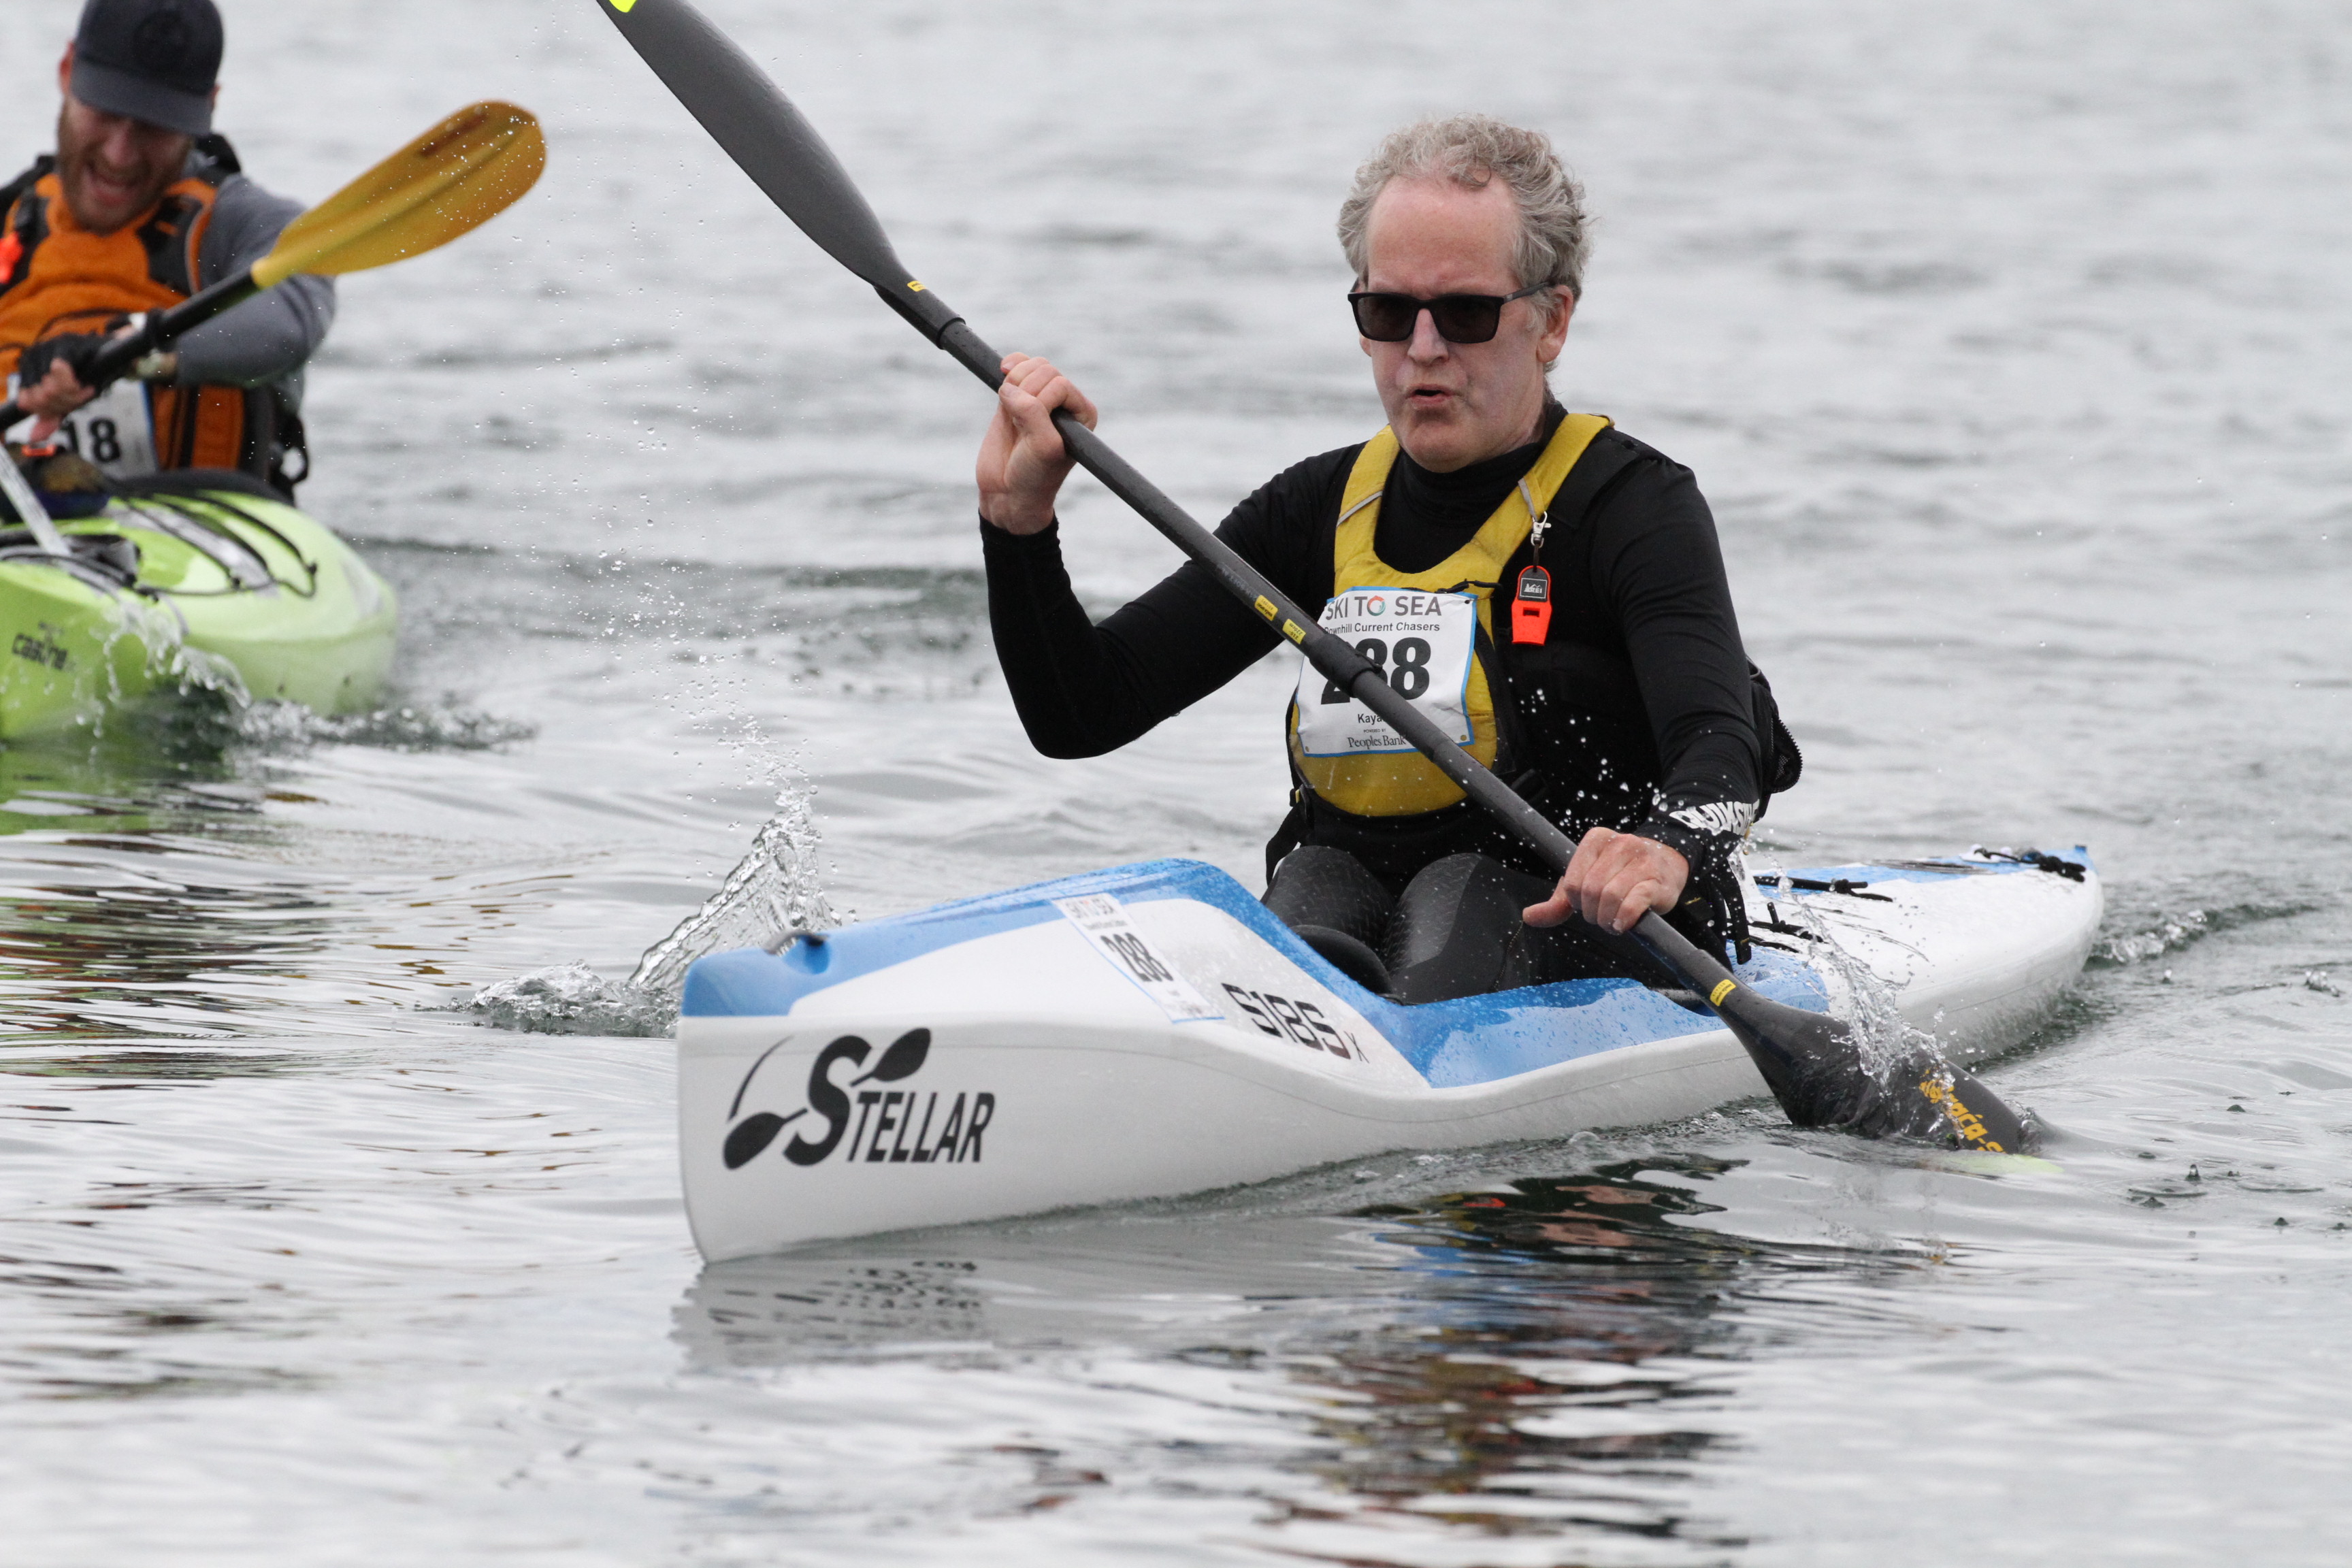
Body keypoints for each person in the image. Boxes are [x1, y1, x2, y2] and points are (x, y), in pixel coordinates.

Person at [975, 115, 1796, 1004]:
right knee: (1310, 895)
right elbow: (1081, 714)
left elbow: (1719, 750)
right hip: (1352, 914)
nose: (1425, 349)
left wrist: (1663, 851)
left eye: (1468, 313)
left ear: (1552, 321)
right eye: (1391, 312)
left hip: (1589, 929)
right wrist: (1017, 523)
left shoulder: (1635, 509)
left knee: (1462, 896)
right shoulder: (1313, 512)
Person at [1, 0, 332, 497]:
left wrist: (134, 350)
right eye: (107, 112)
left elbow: (291, 321)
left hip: (210, 542)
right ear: (67, 71)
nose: (120, 155)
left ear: (208, 108)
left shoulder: (242, 226)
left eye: (154, 126)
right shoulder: (9, 223)